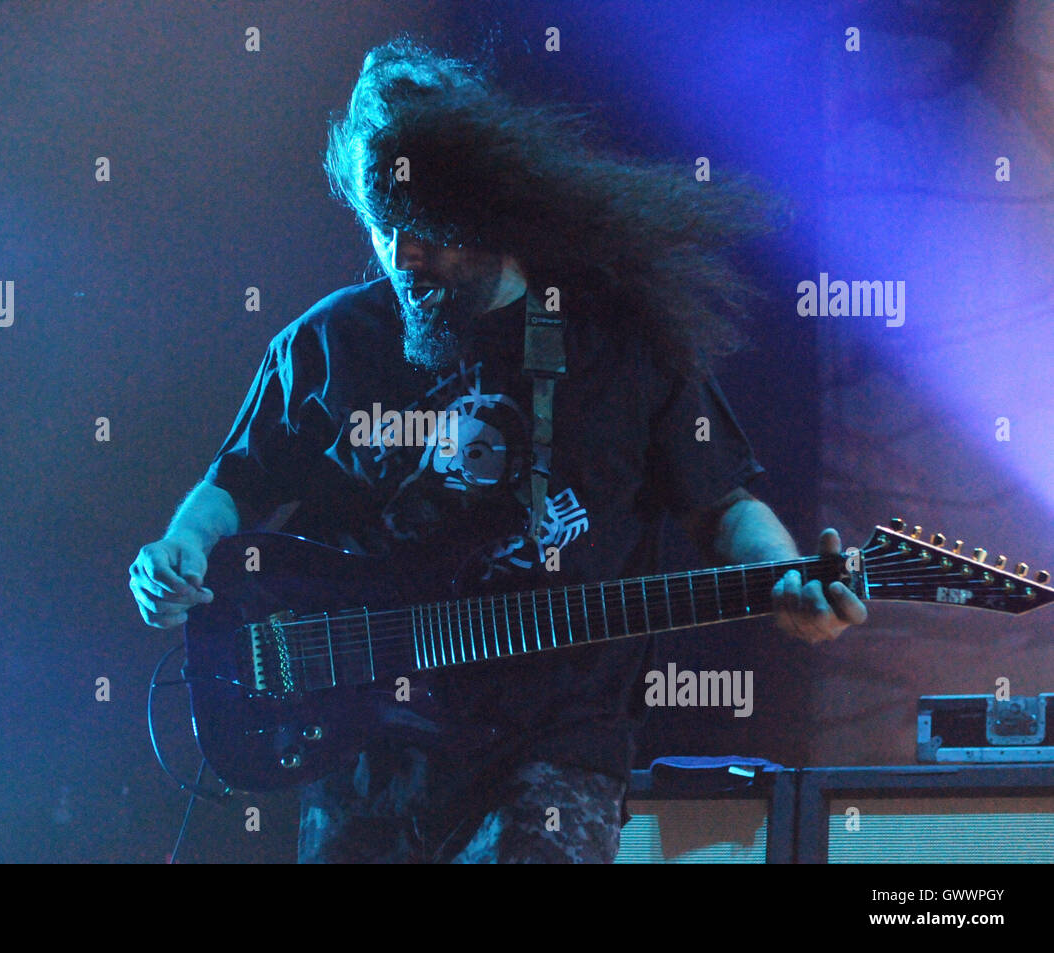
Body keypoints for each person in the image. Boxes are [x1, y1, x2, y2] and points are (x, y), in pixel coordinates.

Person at [128, 38, 867, 863]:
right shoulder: (326, 345)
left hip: (554, 746)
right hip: (371, 753)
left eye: (429, 233)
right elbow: (235, 481)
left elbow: (725, 502)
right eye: (383, 230)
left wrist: (786, 575)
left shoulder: (620, 345)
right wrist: (181, 546)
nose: (404, 257)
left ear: (492, 213)